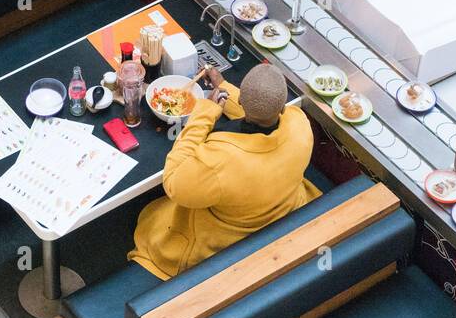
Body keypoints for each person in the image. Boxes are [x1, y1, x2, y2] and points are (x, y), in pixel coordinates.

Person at [129, 63, 319, 280]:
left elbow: (173, 183)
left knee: (152, 218)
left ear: (240, 100)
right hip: (284, 211)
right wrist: (223, 85)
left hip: (229, 243)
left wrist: (203, 113)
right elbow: (263, 113)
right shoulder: (299, 124)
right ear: (283, 106)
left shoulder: (220, 162)